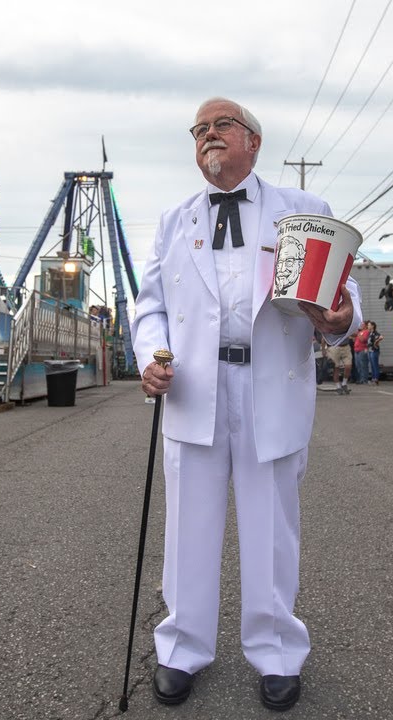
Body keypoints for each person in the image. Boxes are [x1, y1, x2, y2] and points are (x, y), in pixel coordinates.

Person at [132, 96, 362, 712]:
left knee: (271, 529)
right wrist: (151, 355)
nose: (208, 136)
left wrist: (341, 317)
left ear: (253, 142)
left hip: (272, 384)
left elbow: (344, 293)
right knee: (189, 528)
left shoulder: (304, 210)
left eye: (221, 126)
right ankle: (181, 647)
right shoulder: (173, 220)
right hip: (193, 388)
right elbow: (149, 304)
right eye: (198, 130)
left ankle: (278, 652)